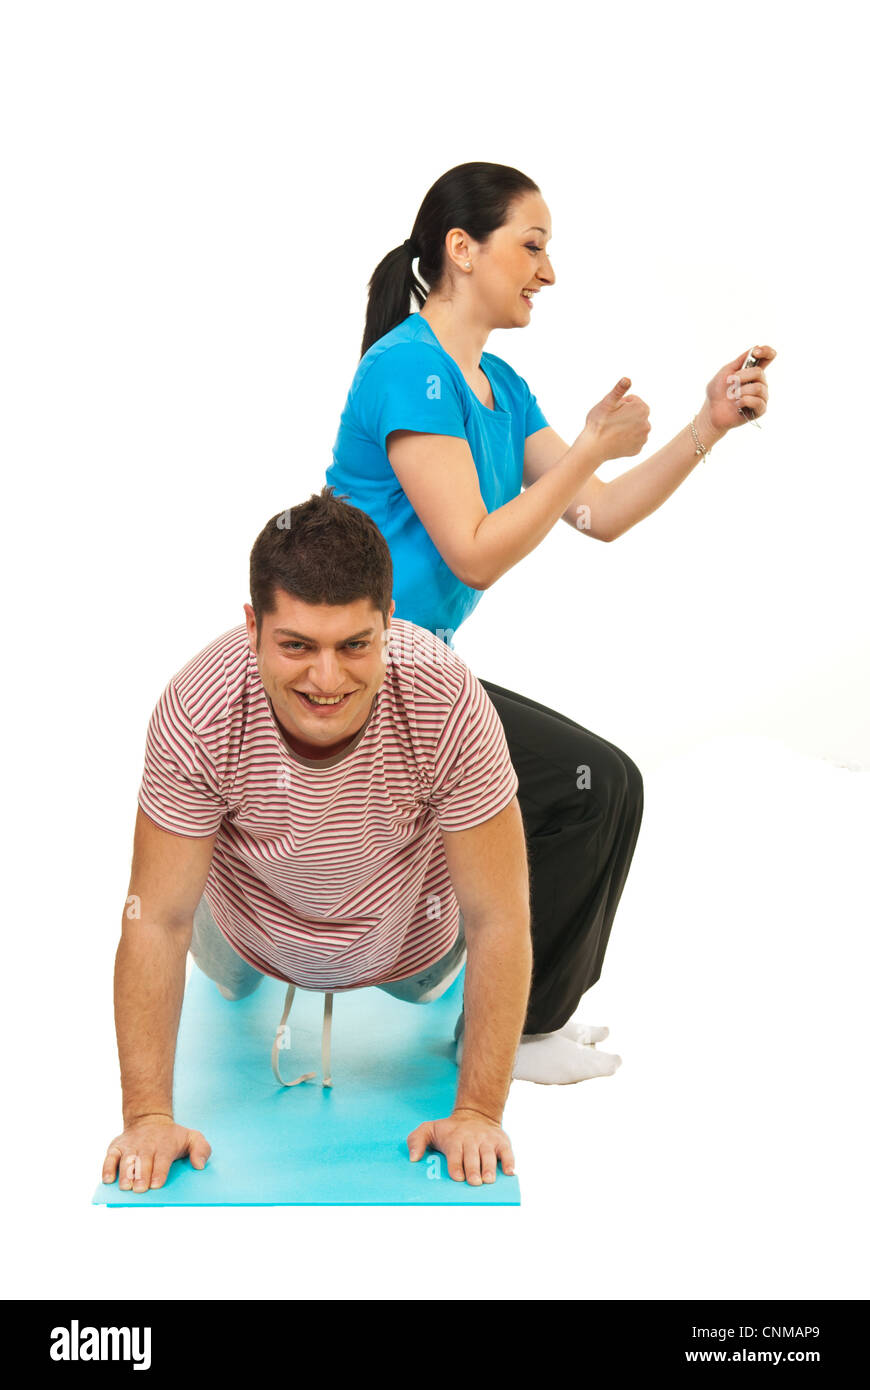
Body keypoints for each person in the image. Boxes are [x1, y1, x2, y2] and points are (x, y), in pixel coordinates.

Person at [326, 160, 776, 1080]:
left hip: (420, 669)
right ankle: (517, 1028)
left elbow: (596, 514)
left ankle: (536, 1011)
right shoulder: (408, 370)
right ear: (462, 250)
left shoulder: (500, 386)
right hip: (356, 674)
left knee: (610, 785)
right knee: (588, 785)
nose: (548, 271)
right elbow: (475, 549)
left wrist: (707, 424)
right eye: (532, 246)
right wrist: (587, 452)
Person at [102, 488, 548, 1193]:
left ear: (389, 624)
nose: (327, 678)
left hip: (408, 945)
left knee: (437, 971)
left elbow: (500, 917)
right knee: (204, 943)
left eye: (354, 645)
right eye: (296, 645)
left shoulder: (447, 698)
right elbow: (156, 919)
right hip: (244, 935)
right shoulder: (198, 707)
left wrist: (478, 1112)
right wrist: (147, 1114)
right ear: (252, 627)